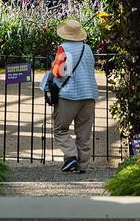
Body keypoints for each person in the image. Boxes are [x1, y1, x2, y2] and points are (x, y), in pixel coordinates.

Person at [41, 18, 99, 173]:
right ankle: (83, 166)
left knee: (60, 129)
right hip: (89, 95)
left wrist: (52, 71)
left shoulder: (63, 48)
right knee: (84, 133)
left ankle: (71, 156)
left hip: (69, 96)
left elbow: (60, 73)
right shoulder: (87, 49)